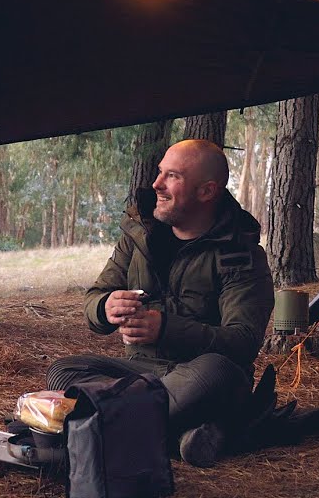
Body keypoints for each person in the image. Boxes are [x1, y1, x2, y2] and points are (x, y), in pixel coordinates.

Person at [46, 139, 273, 467]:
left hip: (197, 377)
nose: (156, 184)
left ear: (207, 191)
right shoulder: (139, 238)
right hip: (140, 374)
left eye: (172, 176)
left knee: (219, 372)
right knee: (63, 371)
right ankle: (181, 435)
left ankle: (102, 430)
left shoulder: (241, 255)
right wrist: (105, 306)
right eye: (159, 173)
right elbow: (95, 297)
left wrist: (165, 329)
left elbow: (243, 342)